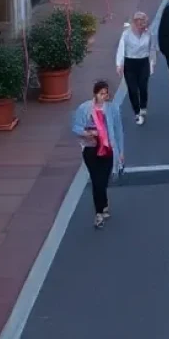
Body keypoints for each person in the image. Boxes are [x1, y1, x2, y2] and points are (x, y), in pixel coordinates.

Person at [71, 80, 125, 228]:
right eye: (102, 93)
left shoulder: (112, 109)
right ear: (95, 94)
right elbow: (76, 128)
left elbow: (119, 130)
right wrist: (88, 133)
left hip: (107, 148)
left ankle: (104, 203)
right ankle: (99, 213)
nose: (104, 96)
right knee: (96, 180)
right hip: (91, 148)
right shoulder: (84, 109)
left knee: (103, 179)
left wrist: (121, 151)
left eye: (106, 93)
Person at [115, 11, 157, 125]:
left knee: (143, 87)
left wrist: (152, 62)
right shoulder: (126, 34)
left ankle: (143, 106)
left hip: (143, 62)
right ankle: (137, 112)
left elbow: (152, 48)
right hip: (130, 63)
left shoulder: (149, 33)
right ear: (134, 22)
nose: (140, 24)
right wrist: (119, 64)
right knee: (132, 89)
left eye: (142, 22)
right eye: (137, 22)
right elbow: (121, 49)